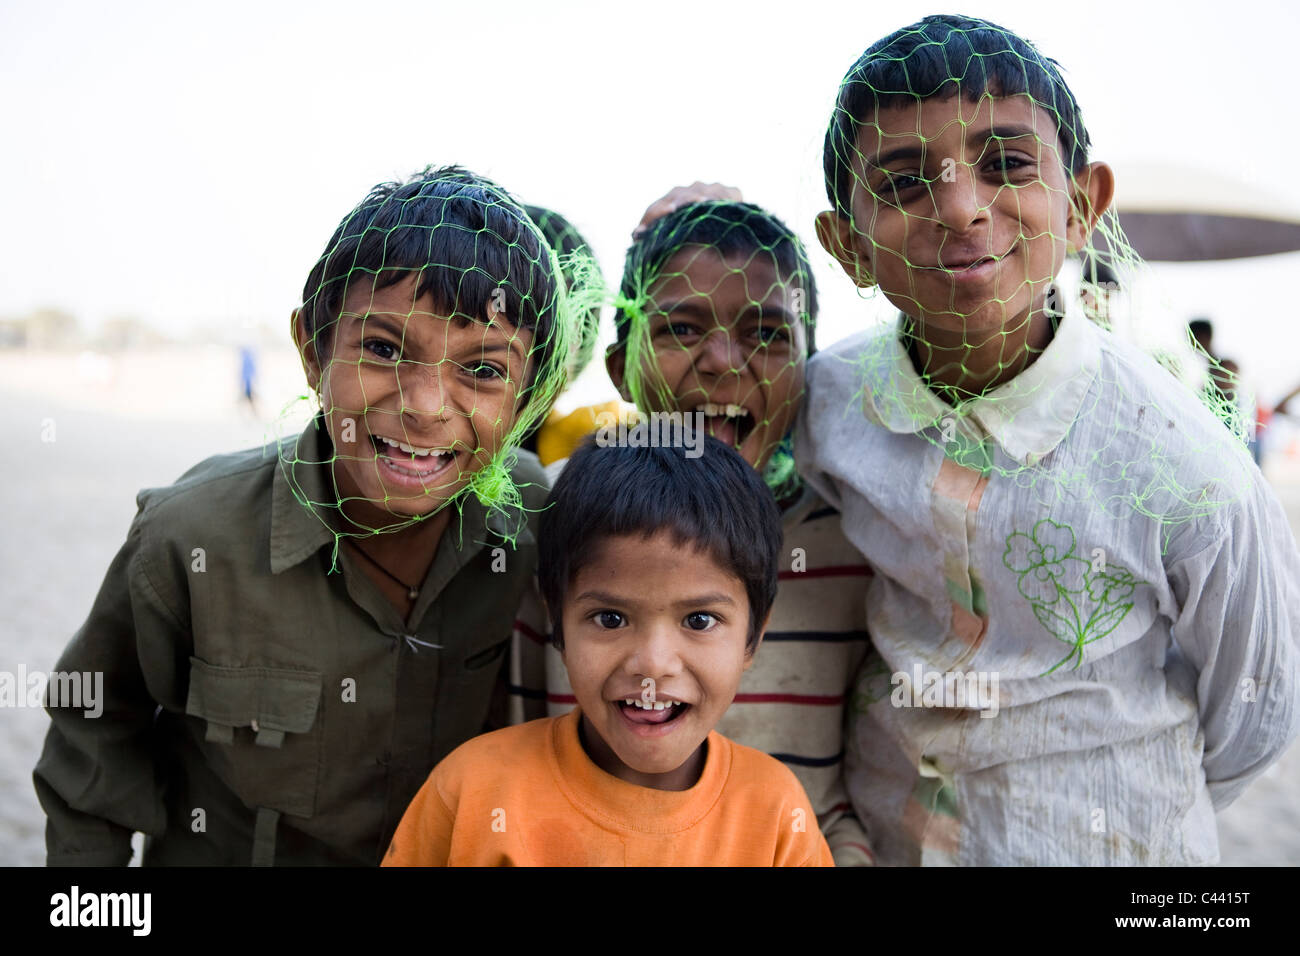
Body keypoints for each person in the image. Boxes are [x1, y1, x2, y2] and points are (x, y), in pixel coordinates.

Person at [802, 14, 1300, 865]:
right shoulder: (828, 406)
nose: (960, 208)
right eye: (903, 181)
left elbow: (1255, 710)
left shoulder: (1181, 460)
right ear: (847, 247)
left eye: (1007, 164)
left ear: (1082, 207)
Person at [32, 165, 572, 865]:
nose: (426, 404)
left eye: (484, 370)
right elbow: (95, 732)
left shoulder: (544, 524)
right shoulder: (193, 538)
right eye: (382, 349)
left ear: (531, 394)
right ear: (312, 350)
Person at [510, 199, 874, 865]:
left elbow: (841, 794)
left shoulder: (857, 545)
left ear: (806, 375)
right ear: (621, 368)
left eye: (766, 334)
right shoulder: (564, 531)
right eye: (681, 328)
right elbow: (520, 763)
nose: (721, 361)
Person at [383, 436, 834, 866]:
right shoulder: (472, 791)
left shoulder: (776, 815)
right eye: (611, 619)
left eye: (699, 621)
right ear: (557, 620)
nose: (654, 664)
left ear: (753, 636)